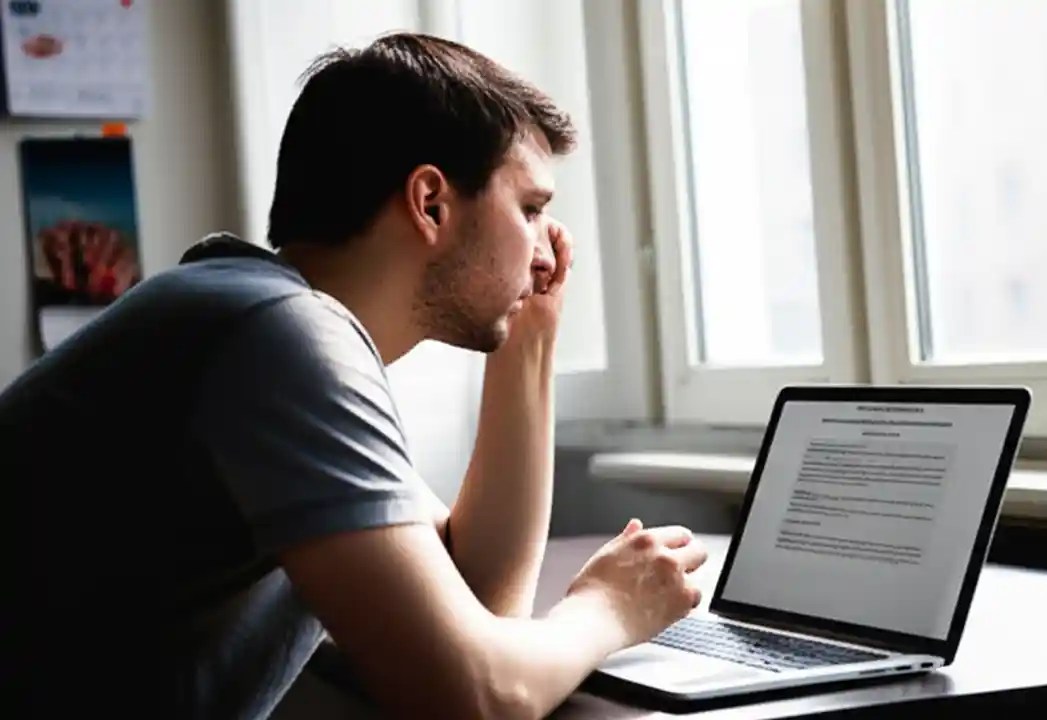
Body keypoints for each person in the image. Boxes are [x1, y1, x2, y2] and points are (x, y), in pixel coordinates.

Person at [3, 33, 707, 719]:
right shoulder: (279, 334)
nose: (545, 252)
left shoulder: (252, 310)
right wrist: (609, 610)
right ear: (430, 202)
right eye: (529, 208)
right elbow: (470, 696)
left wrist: (529, 339)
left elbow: (475, 595)